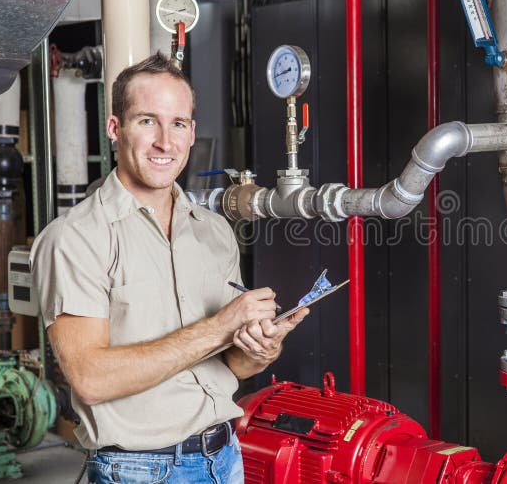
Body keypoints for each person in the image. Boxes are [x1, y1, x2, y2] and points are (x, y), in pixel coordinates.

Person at [30, 53, 308, 483]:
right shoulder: (75, 238)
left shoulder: (215, 233)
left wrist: (260, 348)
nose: (165, 141)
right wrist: (220, 325)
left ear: (192, 132)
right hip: (140, 469)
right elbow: (90, 379)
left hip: (224, 457)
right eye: (146, 121)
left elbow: (229, 366)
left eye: (178, 123)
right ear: (114, 128)